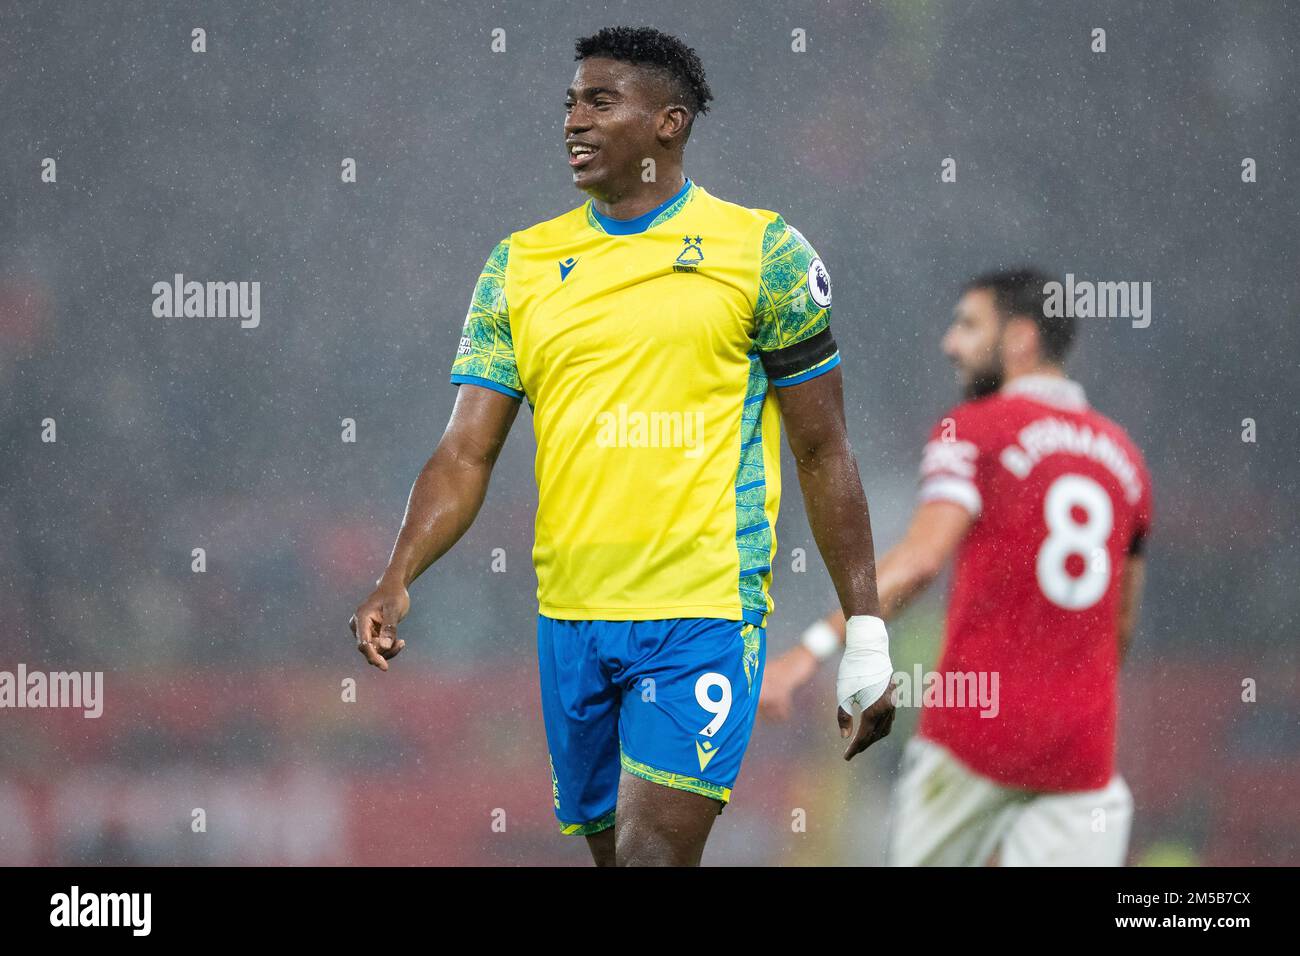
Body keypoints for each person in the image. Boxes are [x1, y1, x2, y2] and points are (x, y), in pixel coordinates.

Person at [349, 26, 895, 867]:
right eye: (570, 101)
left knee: (652, 861)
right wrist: (398, 573)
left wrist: (866, 631)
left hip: (702, 610)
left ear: (669, 123)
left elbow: (824, 452)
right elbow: (465, 453)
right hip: (570, 619)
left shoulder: (765, 256)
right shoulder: (519, 266)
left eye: (601, 101)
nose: (574, 118)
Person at [761, 269, 1152, 866]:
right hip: (1082, 756)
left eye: (969, 325)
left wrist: (808, 651)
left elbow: (918, 561)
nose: (950, 343)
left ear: (1020, 338)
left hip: (973, 739)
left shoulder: (972, 430)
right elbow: (1120, 629)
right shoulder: (1125, 458)